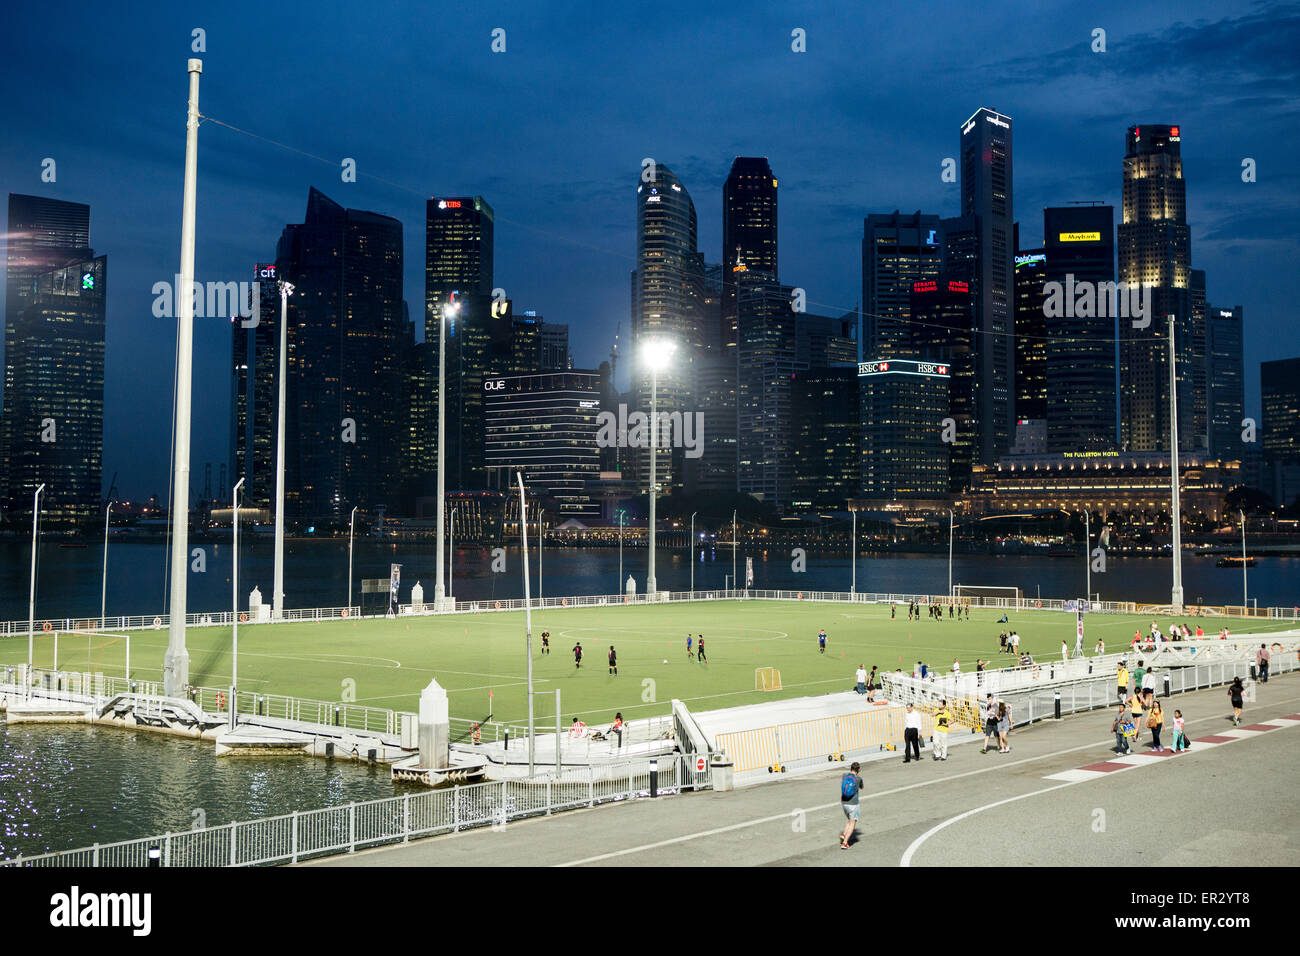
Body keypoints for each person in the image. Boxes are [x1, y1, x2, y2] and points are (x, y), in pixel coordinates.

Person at [840, 762, 864, 849]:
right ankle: (845, 843)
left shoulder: (844, 776)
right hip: (853, 804)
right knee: (853, 823)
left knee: (849, 820)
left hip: (844, 802)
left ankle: (844, 834)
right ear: (858, 770)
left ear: (851, 768)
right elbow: (862, 787)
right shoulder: (858, 779)